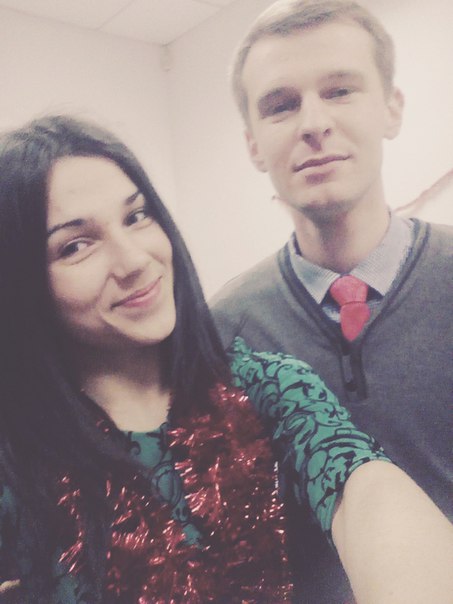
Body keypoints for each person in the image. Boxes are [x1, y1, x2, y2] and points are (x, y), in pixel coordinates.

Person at [0, 116, 452, 604]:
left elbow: (364, 489)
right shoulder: (17, 457)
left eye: (136, 216)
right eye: (75, 245)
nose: (135, 261)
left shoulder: (265, 386)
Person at [210, 0, 453, 602]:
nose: (313, 123)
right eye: (281, 105)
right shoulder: (224, 331)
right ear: (253, 145)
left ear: (392, 108)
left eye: (340, 90)